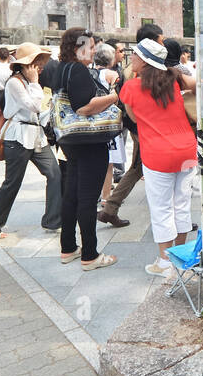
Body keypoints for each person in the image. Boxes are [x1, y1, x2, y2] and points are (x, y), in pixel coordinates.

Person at [119, 38, 197, 278]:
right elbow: (196, 83)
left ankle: (165, 262)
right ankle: (181, 257)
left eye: (134, 55)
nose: (130, 58)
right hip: (186, 150)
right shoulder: (173, 80)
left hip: (157, 155)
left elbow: (132, 117)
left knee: (162, 209)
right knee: (182, 205)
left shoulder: (130, 88)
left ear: (143, 60)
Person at [0, 43, 61, 238]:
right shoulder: (15, 82)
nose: (40, 66)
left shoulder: (30, 81)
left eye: (41, 62)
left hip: (36, 137)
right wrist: (34, 83)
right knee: (12, 182)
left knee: (55, 173)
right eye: (36, 62)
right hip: (17, 138)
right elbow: (33, 105)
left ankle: (53, 220)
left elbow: (39, 110)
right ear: (26, 64)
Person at [56, 27, 118, 270]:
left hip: (70, 141)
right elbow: (84, 107)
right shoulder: (79, 71)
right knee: (87, 197)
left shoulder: (61, 69)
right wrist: (114, 97)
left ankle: (68, 247)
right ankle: (90, 254)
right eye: (90, 47)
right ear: (77, 47)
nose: (94, 51)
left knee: (71, 193)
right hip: (89, 141)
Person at [98, 23, 165, 228]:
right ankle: (110, 208)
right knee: (137, 168)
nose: (163, 44)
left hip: (141, 127)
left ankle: (110, 208)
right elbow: (132, 104)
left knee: (137, 168)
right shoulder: (136, 70)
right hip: (142, 128)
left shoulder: (134, 67)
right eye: (160, 41)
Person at [93, 42, 123, 205]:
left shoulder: (88, 73)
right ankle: (105, 197)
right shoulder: (111, 75)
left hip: (91, 120)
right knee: (108, 163)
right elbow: (117, 96)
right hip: (107, 121)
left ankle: (95, 194)